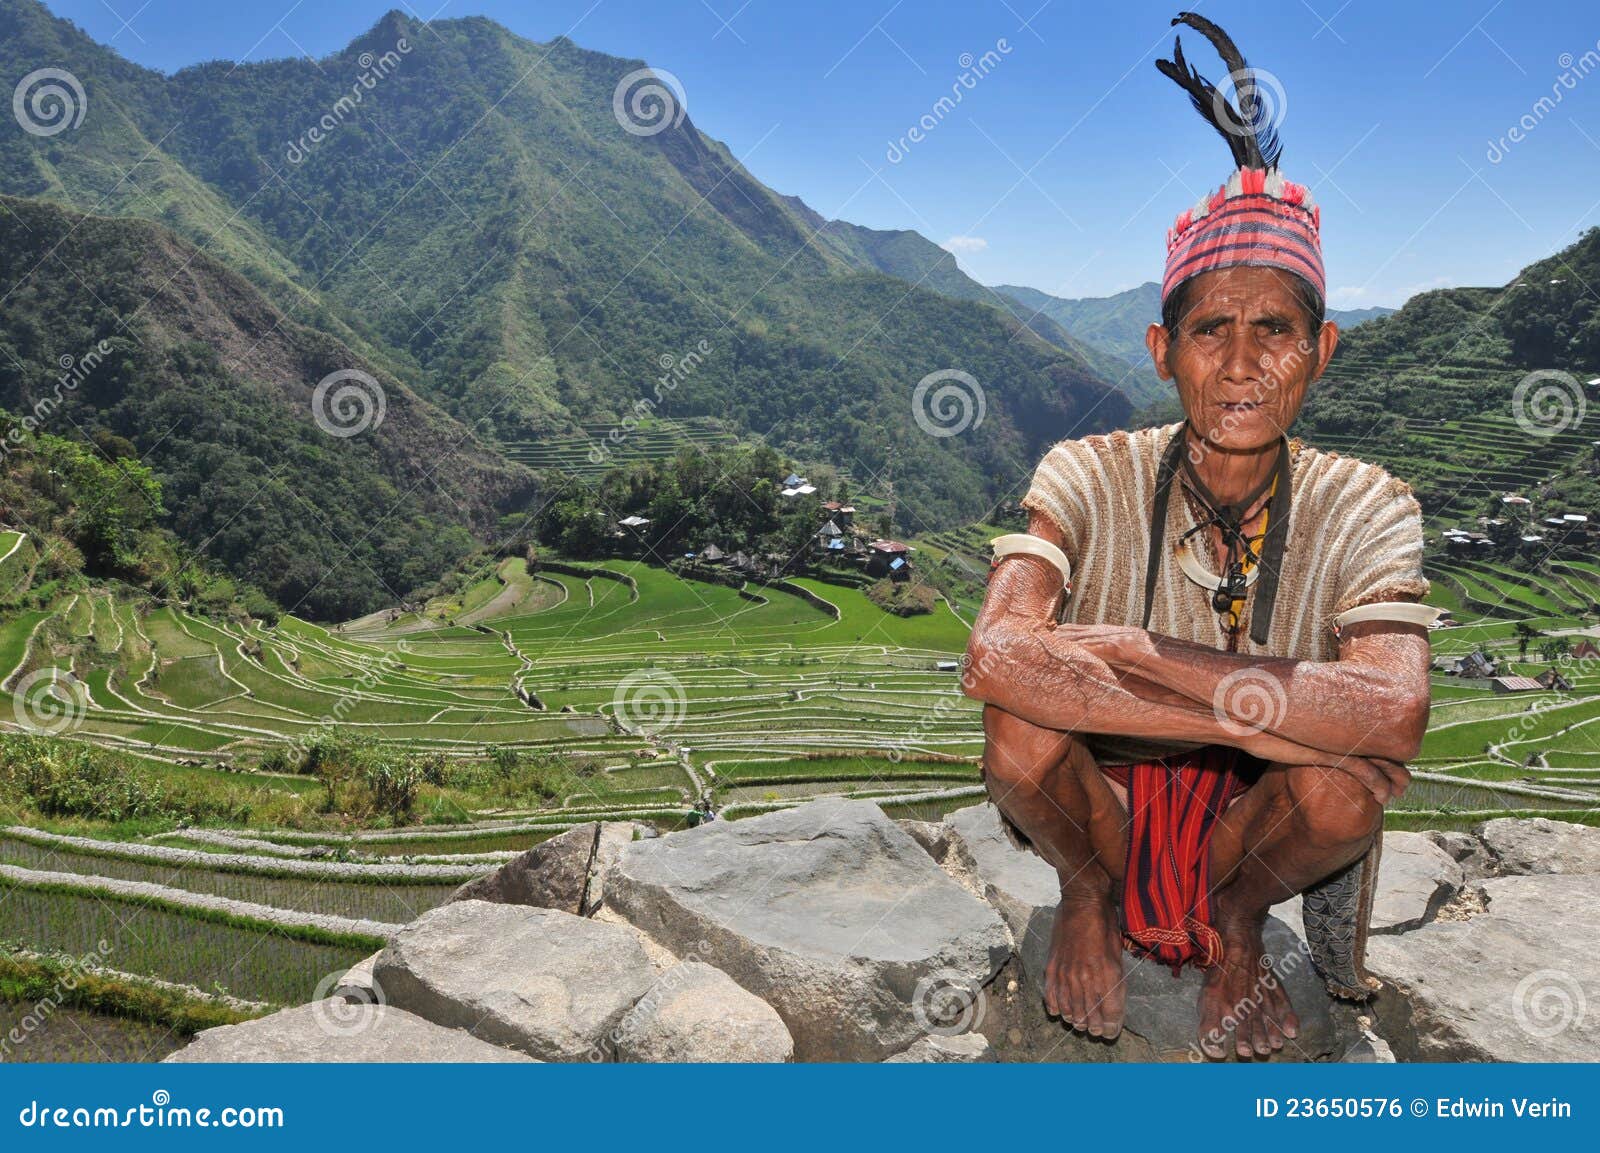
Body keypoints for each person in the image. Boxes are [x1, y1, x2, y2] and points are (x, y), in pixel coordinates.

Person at [962, 13, 1438, 1060]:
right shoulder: (1088, 471)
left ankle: (1233, 924)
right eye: (1208, 328)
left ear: (1319, 349)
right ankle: (1087, 887)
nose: (1238, 362)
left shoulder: (1367, 502)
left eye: (1273, 328)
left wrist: (1137, 655)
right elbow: (997, 657)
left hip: (1255, 819)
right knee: (1019, 732)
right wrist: (1279, 709)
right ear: (1160, 348)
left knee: (1344, 781)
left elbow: (1393, 709)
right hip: (1108, 795)